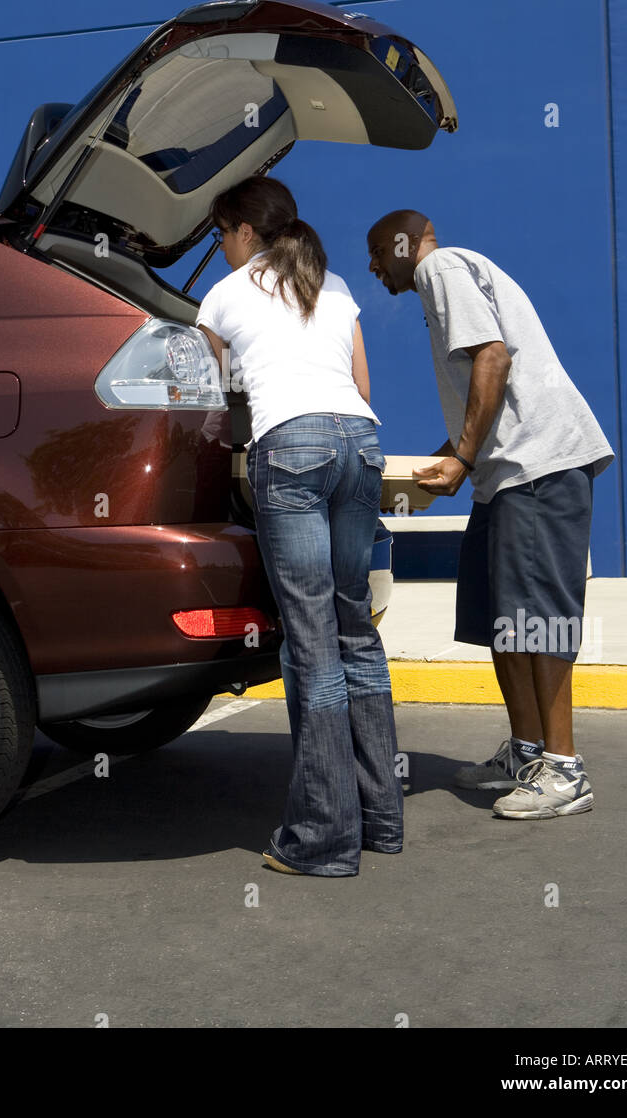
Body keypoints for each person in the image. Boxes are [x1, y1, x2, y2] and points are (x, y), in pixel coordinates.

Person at [367, 210, 614, 819]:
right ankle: (528, 752)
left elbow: (494, 359)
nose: (373, 267)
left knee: (541, 620)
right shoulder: (447, 278)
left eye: (377, 254)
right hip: (504, 478)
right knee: (502, 620)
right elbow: (488, 383)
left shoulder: (439, 267)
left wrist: (465, 456)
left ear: (403, 243)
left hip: (537, 468)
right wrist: (443, 461)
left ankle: (565, 770)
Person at [195, 175, 403, 876]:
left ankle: (322, 838)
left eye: (220, 233)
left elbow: (209, 400)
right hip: (359, 446)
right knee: (356, 631)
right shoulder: (335, 284)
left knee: (309, 643)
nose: (219, 246)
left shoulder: (223, 296)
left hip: (291, 450)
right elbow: (362, 389)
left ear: (245, 232)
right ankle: (380, 821)